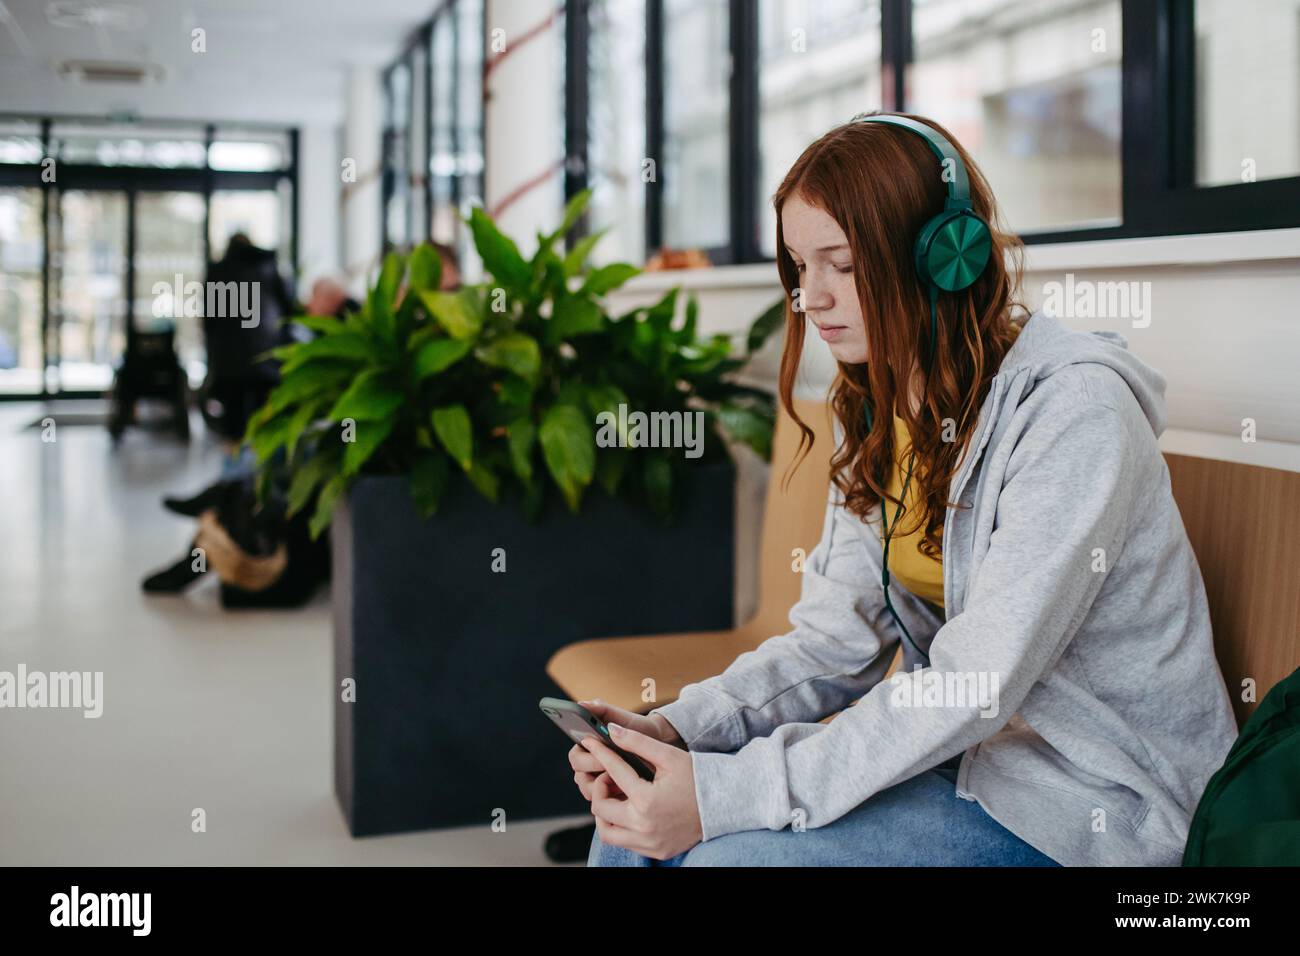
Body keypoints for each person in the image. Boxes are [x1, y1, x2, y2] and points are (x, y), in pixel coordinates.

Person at [576, 111, 1239, 867]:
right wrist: (680, 731)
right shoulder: (881, 406)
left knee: (722, 856)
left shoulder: (1075, 415)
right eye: (799, 265)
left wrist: (722, 797)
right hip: (964, 766)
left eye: (843, 264)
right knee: (631, 824)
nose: (810, 298)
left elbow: (970, 686)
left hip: (1093, 805)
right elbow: (837, 642)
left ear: (942, 259)